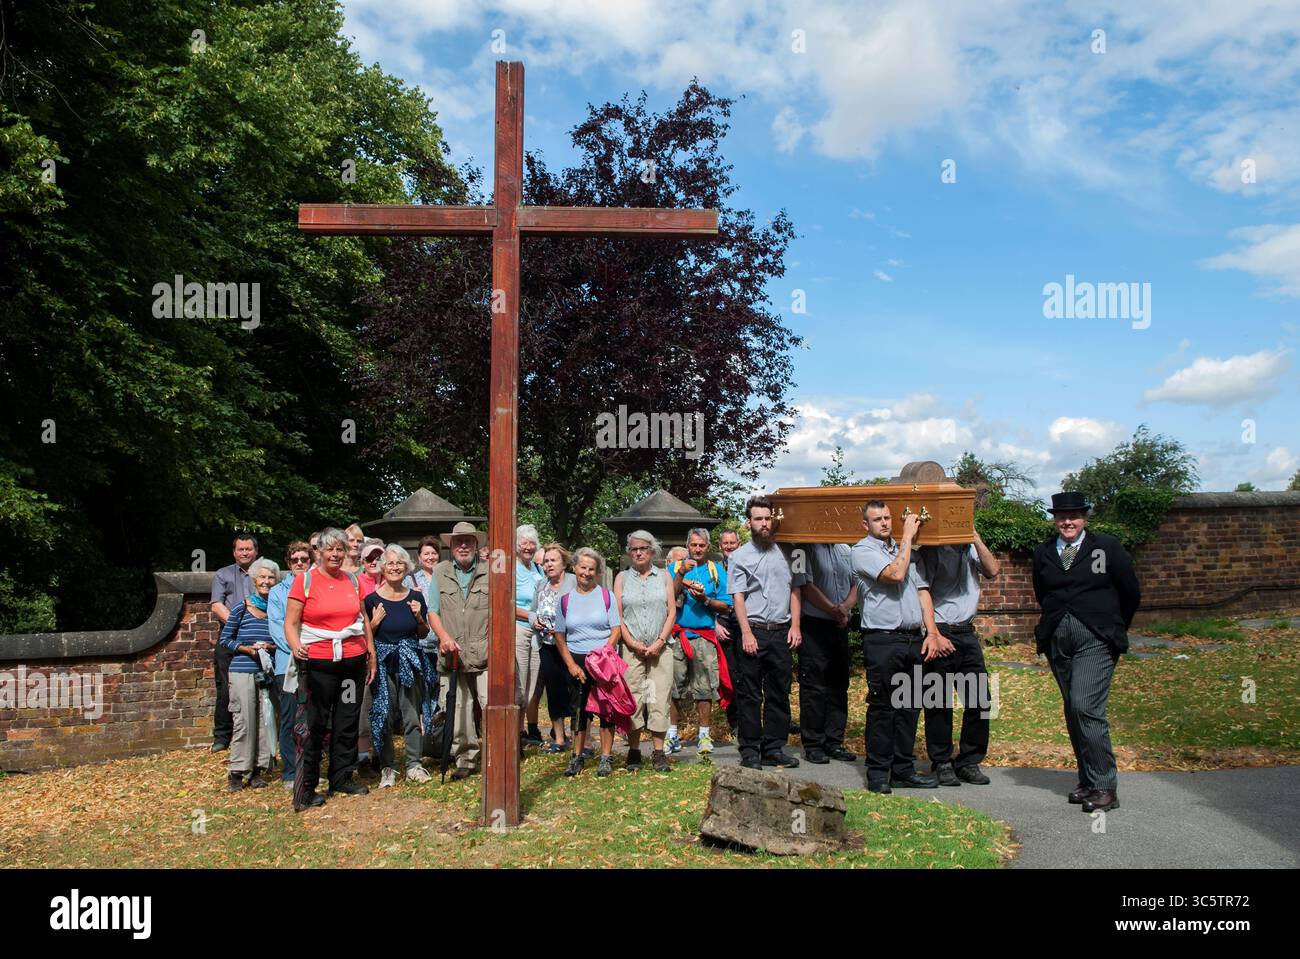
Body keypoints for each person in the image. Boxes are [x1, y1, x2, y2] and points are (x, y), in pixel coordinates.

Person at [1033, 491, 1140, 814]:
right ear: (1054, 519)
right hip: (1058, 638)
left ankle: (1105, 786)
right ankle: (1088, 780)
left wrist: (1112, 627)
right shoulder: (1043, 551)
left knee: (1085, 706)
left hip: (1096, 639)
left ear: (1085, 518)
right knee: (1073, 709)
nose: (1068, 522)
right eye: (1062, 517)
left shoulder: (1106, 547)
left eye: (1074, 516)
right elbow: (1042, 593)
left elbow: (1130, 591)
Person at [850, 500, 947, 793]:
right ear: (866, 524)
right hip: (883, 640)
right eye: (877, 519)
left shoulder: (905, 551)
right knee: (883, 707)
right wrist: (907, 536)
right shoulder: (862, 551)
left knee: (909, 708)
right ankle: (879, 772)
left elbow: (922, 592)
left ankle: (903, 769)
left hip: (912, 639)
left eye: (887, 517)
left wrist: (932, 632)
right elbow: (895, 575)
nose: (884, 523)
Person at [284, 527, 377, 809]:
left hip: (352, 663)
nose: (335, 554)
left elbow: (363, 619)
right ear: (320, 552)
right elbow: (291, 622)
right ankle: (308, 786)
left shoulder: (353, 580)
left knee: (347, 720)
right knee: (315, 723)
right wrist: (295, 645)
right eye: (330, 549)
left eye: (340, 549)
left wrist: (371, 653)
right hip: (319, 664)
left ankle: (341, 777)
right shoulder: (305, 581)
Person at [919, 529, 1001, 786]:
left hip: (967, 632)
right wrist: (933, 632)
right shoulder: (932, 549)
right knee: (938, 701)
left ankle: (968, 761)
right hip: (941, 631)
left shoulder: (972, 548)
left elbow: (993, 570)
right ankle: (941, 761)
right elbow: (922, 592)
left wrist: (975, 537)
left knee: (981, 700)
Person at [727, 496, 802, 770]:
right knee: (749, 694)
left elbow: (796, 589)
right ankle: (750, 750)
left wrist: (796, 626)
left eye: (768, 518)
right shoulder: (738, 557)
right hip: (754, 631)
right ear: (749, 522)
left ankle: (773, 748)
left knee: (779, 693)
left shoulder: (791, 552)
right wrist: (746, 633)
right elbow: (737, 597)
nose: (764, 524)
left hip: (781, 632)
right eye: (758, 519)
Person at [366, 544, 436, 786]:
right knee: (384, 714)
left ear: (406, 568)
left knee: (411, 715)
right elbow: (365, 636)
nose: (395, 567)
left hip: (410, 661)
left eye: (399, 563)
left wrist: (418, 617)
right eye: (390, 563)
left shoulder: (415, 597)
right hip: (383, 664)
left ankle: (414, 764)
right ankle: (387, 766)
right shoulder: (371, 600)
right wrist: (374, 622)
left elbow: (423, 632)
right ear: (382, 568)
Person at [553, 547, 623, 777]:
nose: (586, 573)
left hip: (602, 661)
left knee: (606, 710)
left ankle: (605, 757)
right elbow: (559, 635)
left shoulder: (606, 596)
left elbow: (616, 629)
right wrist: (571, 665)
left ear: (597, 571)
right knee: (578, 710)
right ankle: (577, 756)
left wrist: (604, 654)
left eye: (591, 569)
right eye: (583, 567)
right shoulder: (564, 600)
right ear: (574, 568)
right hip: (577, 660)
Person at [613, 531, 676, 772]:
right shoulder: (621, 578)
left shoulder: (664, 577)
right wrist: (630, 642)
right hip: (632, 649)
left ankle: (659, 753)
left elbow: (671, 611)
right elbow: (617, 615)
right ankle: (634, 750)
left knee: (660, 696)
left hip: (661, 647)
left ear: (652, 550)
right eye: (634, 549)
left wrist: (660, 641)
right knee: (634, 698)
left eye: (643, 548)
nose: (638, 553)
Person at [433, 521, 491, 781]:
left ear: (476, 545)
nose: (463, 546)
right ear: (451, 546)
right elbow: (432, 611)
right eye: (459, 541)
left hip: (485, 651)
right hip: (452, 652)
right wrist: (444, 637)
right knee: (459, 708)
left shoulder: (490, 571)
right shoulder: (440, 571)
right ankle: (465, 759)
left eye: (468, 541)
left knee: (491, 704)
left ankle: (495, 755)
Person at [667, 527, 732, 757]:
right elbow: (668, 597)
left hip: (704, 636)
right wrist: (680, 574)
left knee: (704, 688)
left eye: (701, 545)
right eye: (693, 545)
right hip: (677, 635)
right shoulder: (675, 567)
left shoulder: (716, 571)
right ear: (687, 546)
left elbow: (726, 605)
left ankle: (704, 735)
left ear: (708, 547)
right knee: (673, 687)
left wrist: (705, 599)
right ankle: (672, 735)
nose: (697, 549)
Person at [792, 542, 858, 764]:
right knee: (813, 686)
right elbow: (804, 585)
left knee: (839, 684)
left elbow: (857, 584)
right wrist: (832, 609)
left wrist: (845, 608)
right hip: (814, 625)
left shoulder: (846, 550)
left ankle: (834, 741)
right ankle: (813, 744)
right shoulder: (802, 549)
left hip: (840, 624)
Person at [219, 557, 279, 791]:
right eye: (262, 577)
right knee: (244, 721)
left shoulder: (276, 610)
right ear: (254, 579)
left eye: (271, 577)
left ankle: (258, 770)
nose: (266, 581)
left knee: (265, 720)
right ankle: (237, 771)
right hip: (242, 671)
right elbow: (226, 639)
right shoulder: (241, 607)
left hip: (266, 672)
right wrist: (247, 649)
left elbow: (280, 640)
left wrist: (269, 647)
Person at [268, 541, 312, 788]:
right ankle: (290, 772)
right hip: (287, 664)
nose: (299, 563)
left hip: (316, 660)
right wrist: (298, 648)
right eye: (295, 560)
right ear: (288, 562)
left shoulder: (316, 585)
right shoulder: (277, 592)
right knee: (289, 718)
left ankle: (309, 768)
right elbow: (277, 628)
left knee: (312, 717)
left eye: (304, 559)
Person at [210, 534, 258, 752]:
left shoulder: (264, 573)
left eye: (248, 549)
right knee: (225, 687)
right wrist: (238, 624)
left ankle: (257, 733)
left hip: (258, 637)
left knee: (260, 685)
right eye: (241, 549)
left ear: (256, 551)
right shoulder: (223, 574)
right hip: (229, 636)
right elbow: (216, 605)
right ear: (234, 552)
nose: (245, 552)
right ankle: (222, 736)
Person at [530, 543, 577, 751]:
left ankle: (579, 739)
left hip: (571, 645)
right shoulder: (541, 585)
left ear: (564, 563)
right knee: (554, 690)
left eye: (553, 560)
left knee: (574, 690)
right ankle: (559, 739)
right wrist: (534, 621)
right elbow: (532, 610)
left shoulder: (574, 582)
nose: (548, 565)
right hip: (547, 646)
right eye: (546, 561)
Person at [514, 525, 546, 745]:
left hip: (537, 632)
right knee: (519, 685)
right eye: (524, 542)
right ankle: (515, 732)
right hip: (519, 629)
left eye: (532, 543)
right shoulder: (512, 569)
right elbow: (506, 603)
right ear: (516, 545)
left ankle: (522, 730)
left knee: (531, 684)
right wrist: (532, 616)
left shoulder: (537, 568)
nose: (528, 547)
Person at [714, 529, 743, 730]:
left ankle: (751, 719)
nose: (729, 546)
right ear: (720, 546)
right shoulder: (714, 569)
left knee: (749, 672)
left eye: (733, 543)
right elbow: (706, 598)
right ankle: (735, 721)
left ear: (738, 544)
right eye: (726, 543)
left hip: (744, 622)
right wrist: (714, 624)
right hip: (723, 623)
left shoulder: (746, 564)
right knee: (730, 674)